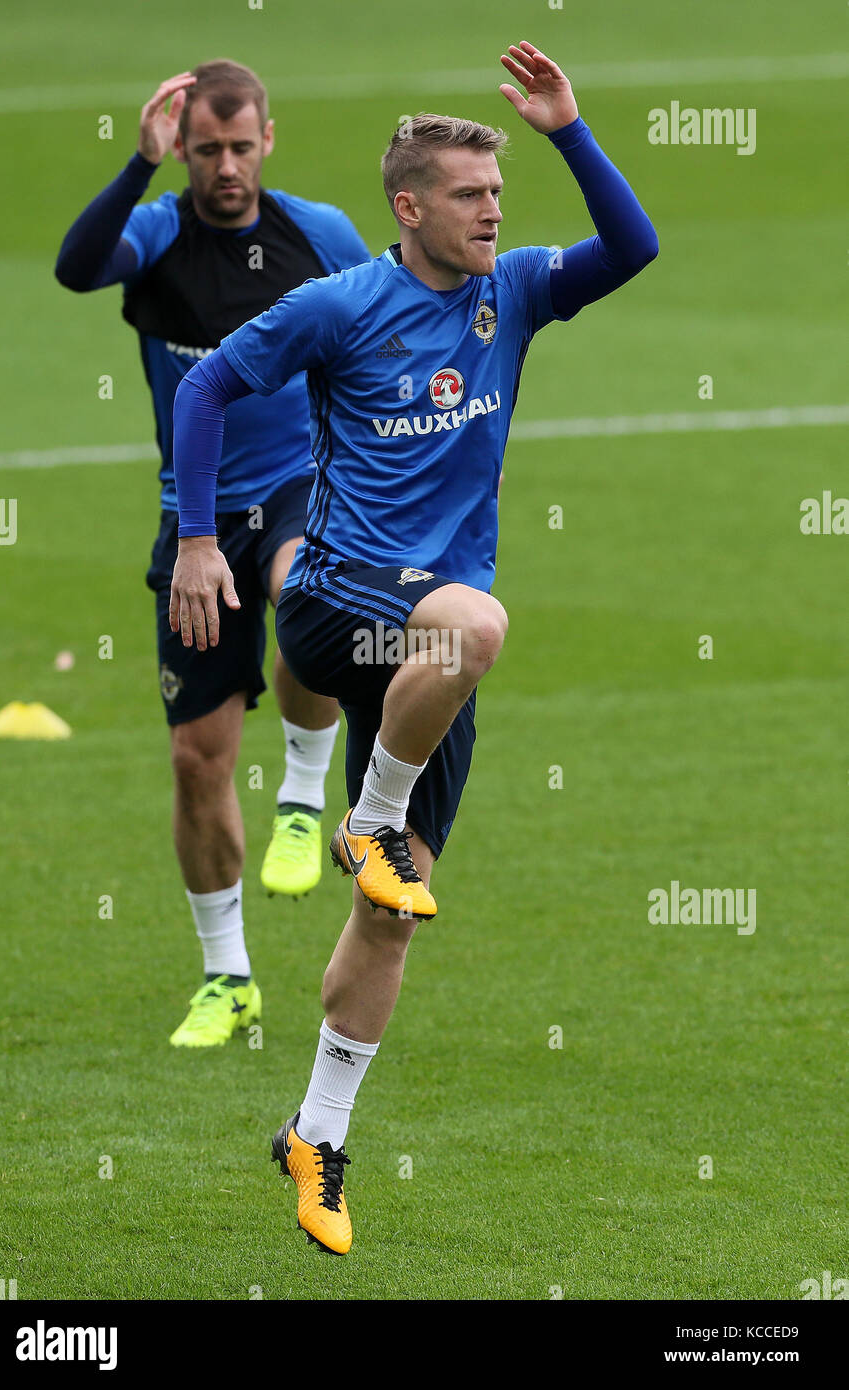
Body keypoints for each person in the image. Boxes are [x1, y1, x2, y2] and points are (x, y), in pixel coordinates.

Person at [169, 42, 658, 1250]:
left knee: (396, 914)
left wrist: (567, 129)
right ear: (409, 207)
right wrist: (195, 542)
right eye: (469, 194)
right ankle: (367, 817)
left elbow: (633, 246)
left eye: (500, 194)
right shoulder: (342, 304)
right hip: (339, 604)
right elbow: (206, 392)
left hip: (430, 667)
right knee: (478, 620)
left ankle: (316, 1136)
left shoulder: (516, 293)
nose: (494, 210)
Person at [55, 61, 370, 1048]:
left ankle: (300, 794)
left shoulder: (319, 233)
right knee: (196, 761)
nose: (225, 167)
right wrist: (132, 166)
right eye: (205, 150)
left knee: (306, 597)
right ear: (183, 148)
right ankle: (227, 975)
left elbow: (379, 331)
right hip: (192, 513)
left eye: (240, 147)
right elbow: (76, 265)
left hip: (298, 487)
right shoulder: (157, 233)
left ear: (268, 139)